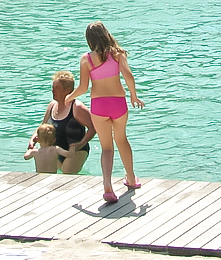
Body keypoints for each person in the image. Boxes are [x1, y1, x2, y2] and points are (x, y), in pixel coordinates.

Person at [68, 21, 143, 204]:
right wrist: (134, 96)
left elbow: (83, 87)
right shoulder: (118, 54)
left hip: (99, 106)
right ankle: (131, 179)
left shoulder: (86, 59)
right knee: (122, 140)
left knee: (106, 147)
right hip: (117, 103)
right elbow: (128, 76)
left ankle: (107, 186)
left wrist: (69, 97)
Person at [28, 70, 95, 174]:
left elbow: (93, 127)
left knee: (67, 174)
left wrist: (81, 143)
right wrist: (33, 139)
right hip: (56, 150)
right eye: (52, 87)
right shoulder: (52, 106)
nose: (53, 90)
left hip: (76, 150)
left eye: (56, 88)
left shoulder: (77, 107)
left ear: (68, 90)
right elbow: (42, 125)